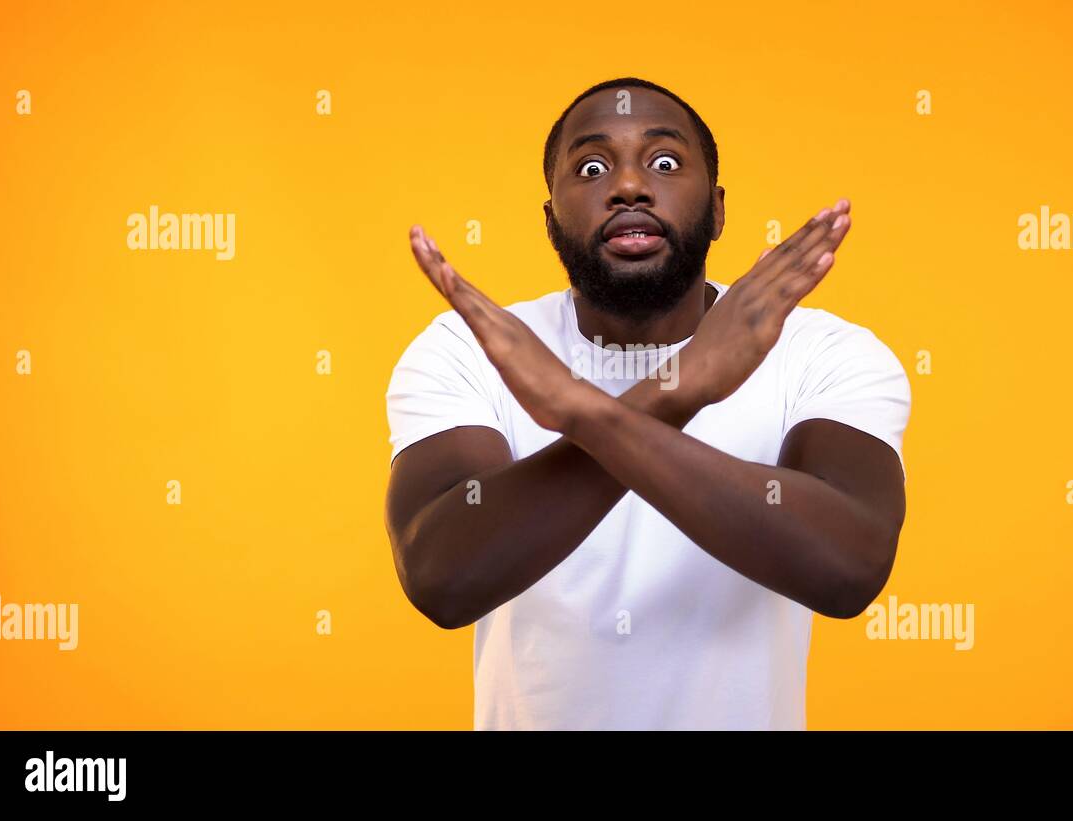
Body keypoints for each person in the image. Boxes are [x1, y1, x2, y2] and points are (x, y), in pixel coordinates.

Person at [384, 77, 911, 730]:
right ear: (551, 220)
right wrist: (676, 390)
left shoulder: (823, 352)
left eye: (664, 162)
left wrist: (585, 413)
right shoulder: (473, 347)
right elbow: (444, 575)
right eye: (593, 166)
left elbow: (848, 569)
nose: (628, 186)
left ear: (718, 210)